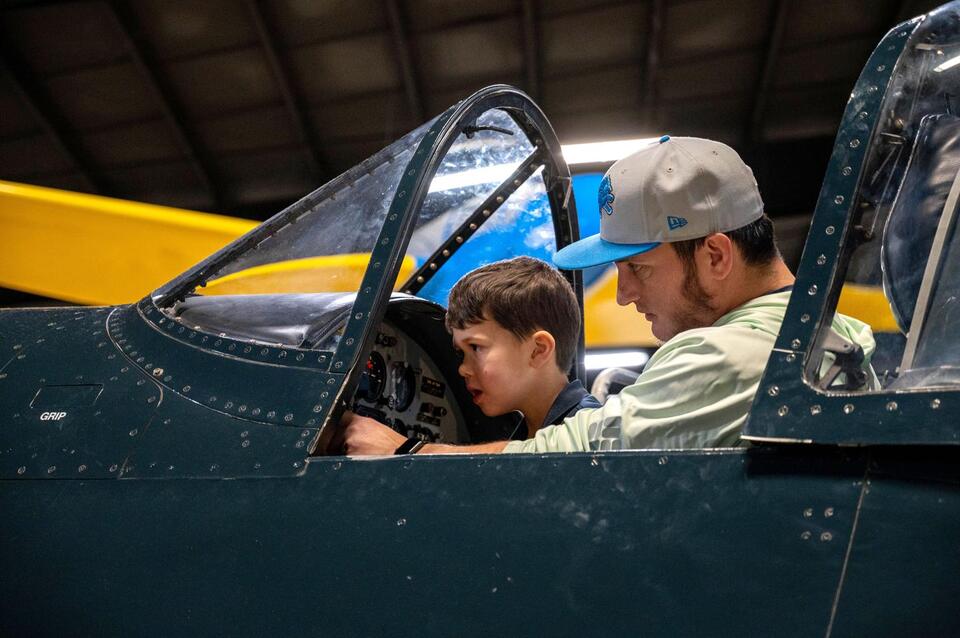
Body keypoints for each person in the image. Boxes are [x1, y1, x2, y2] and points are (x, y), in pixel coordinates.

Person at [341, 135, 876, 454]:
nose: (623, 295)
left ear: (715, 255)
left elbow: (586, 453)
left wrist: (406, 449)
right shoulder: (821, 336)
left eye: (638, 268)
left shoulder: (732, 355)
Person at [335, 256, 600, 455]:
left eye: (476, 348)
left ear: (538, 350)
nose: (462, 369)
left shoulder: (592, 437)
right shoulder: (526, 433)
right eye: (460, 353)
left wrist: (404, 449)